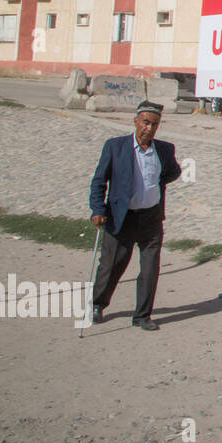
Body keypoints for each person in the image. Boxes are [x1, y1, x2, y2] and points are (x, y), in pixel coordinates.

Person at [88, 101, 182, 330]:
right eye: (146, 122)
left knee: (150, 269)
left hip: (151, 218)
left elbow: (174, 171)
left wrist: (156, 184)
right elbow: (99, 181)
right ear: (136, 122)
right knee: (112, 265)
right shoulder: (115, 147)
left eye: (155, 124)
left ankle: (142, 316)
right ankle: (97, 304)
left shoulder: (165, 149)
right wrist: (98, 210)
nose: (149, 128)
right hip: (122, 217)